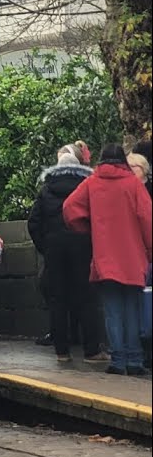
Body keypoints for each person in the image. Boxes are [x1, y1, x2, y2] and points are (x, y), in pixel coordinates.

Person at [64, 143, 153, 376]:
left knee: (113, 311)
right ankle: (134, 360)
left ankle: (118, 360)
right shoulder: (133, 184)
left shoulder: (92, 183)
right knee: (132, 309)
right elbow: (148, 220)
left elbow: (70, 207)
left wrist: (87, 227)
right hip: (133, 256)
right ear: (123, 161)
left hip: (105, 256)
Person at [28, 146, 105, 363]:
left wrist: (45, 246)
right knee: (87, 298)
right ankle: (91, 350)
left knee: (57, 299)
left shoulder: (46, 190)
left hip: (55, 249)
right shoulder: (87, 187)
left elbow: (33, 222)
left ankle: (62, 351)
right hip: (82, 246)